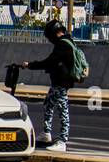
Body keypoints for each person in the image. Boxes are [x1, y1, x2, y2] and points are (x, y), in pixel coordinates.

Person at [22, 20, 81, 152]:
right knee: (48, 103)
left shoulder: (62, 45)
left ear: (53, 34)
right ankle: (46, 134)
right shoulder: (68, 42)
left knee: (62, 109)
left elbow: (49, 61)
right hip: (58, 81)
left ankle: (62, 141)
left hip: (62, 82)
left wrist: (30, 65)